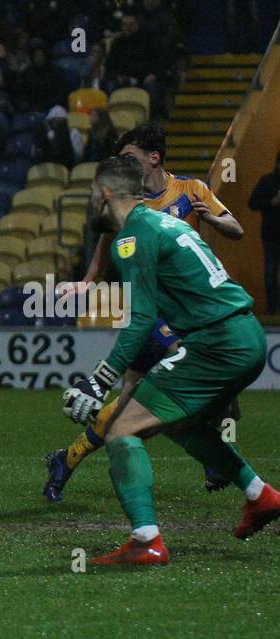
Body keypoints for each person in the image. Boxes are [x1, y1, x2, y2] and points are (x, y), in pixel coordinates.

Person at [58, 155, 278, 565]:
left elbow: (140, 321)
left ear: (105, 194)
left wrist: (97, 382)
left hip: (218, 343)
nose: (92, 203)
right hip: (244, 336)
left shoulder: (133, 238)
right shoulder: (166, 223)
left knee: (121, 429)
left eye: (92, 194)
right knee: (178, 422)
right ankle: (260, 496)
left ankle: (146, 541)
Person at [46, 123, 245, 502]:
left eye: (130, 158)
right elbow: (105, 238)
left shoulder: (191, 191)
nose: (123, 164)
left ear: (153, 158)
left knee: (137, 404)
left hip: (187, 311)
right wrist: (88, 281)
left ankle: (65, 459)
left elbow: (235, 228)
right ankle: (221, 463)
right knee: (169, 390)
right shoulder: (128, 202)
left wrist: (213, 219)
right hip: (151, 312)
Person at [246, 151, 280, 316]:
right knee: (270, 274)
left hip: (270, 235)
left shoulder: (267, 180)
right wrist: (272, 202)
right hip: (271, 236)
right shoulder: (267, 181)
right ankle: (272, 310)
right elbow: (252, 203)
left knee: (271, 273)